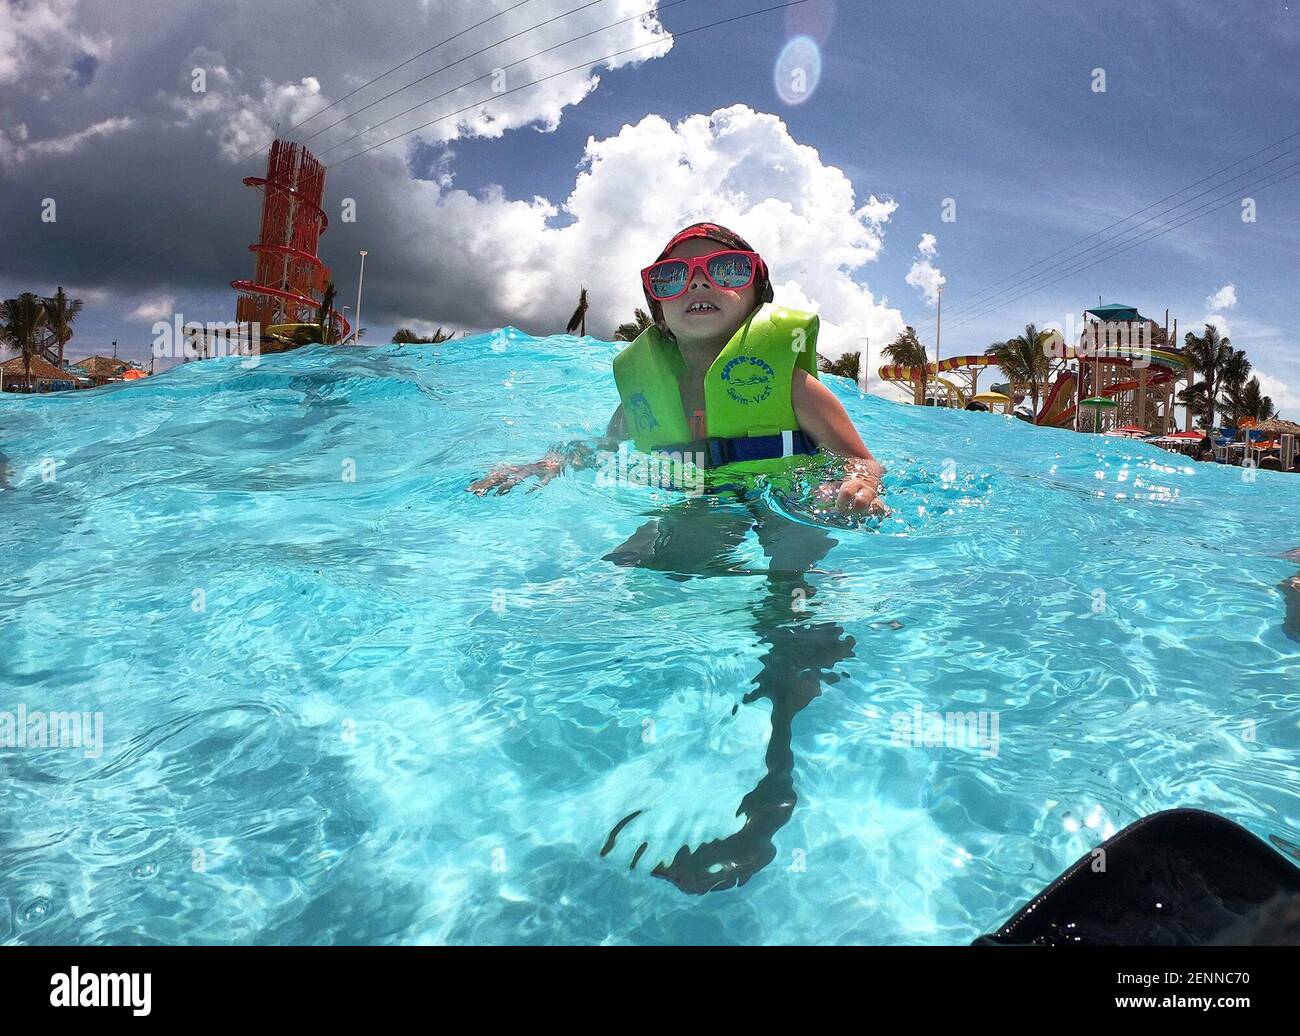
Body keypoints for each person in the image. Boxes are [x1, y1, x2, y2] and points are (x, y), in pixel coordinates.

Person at [469, 222, 886, 513]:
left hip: (783, 501)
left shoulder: (794, 388)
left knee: (790, 587)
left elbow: (861, 460)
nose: (698, 283)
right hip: (694, 503)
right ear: (660, 313)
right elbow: (601, 449)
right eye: (671, 278)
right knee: (652, 571)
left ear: (757, 297)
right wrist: (550, 462)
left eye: (727, 270)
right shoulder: (644, 399)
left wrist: (859, 486)